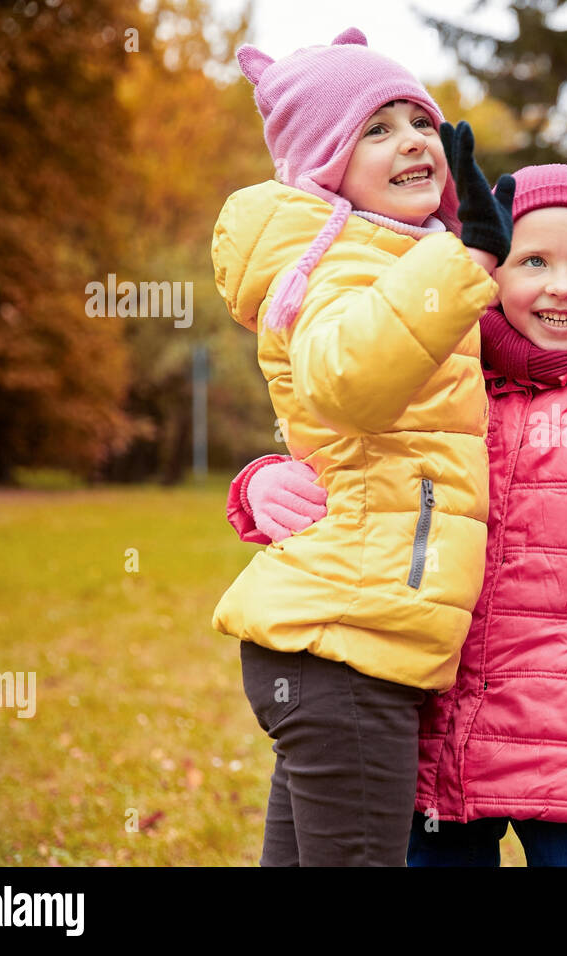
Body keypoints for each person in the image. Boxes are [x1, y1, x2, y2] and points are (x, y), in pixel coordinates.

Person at [228, 164, 567, 866]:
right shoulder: (439, 374)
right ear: (489, 269)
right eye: (532, 260)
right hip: (431, 717)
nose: (562, 285)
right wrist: (261, 485)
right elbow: (341, 440)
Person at [211, 26, 514, 866]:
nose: (412, 140)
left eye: (418, 120)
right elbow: (344, 379)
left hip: (344, 639)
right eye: (374, 129)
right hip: (346, 638)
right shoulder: (342, 259)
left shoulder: (402, 256)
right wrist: (468, 261)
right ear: (324, 165)